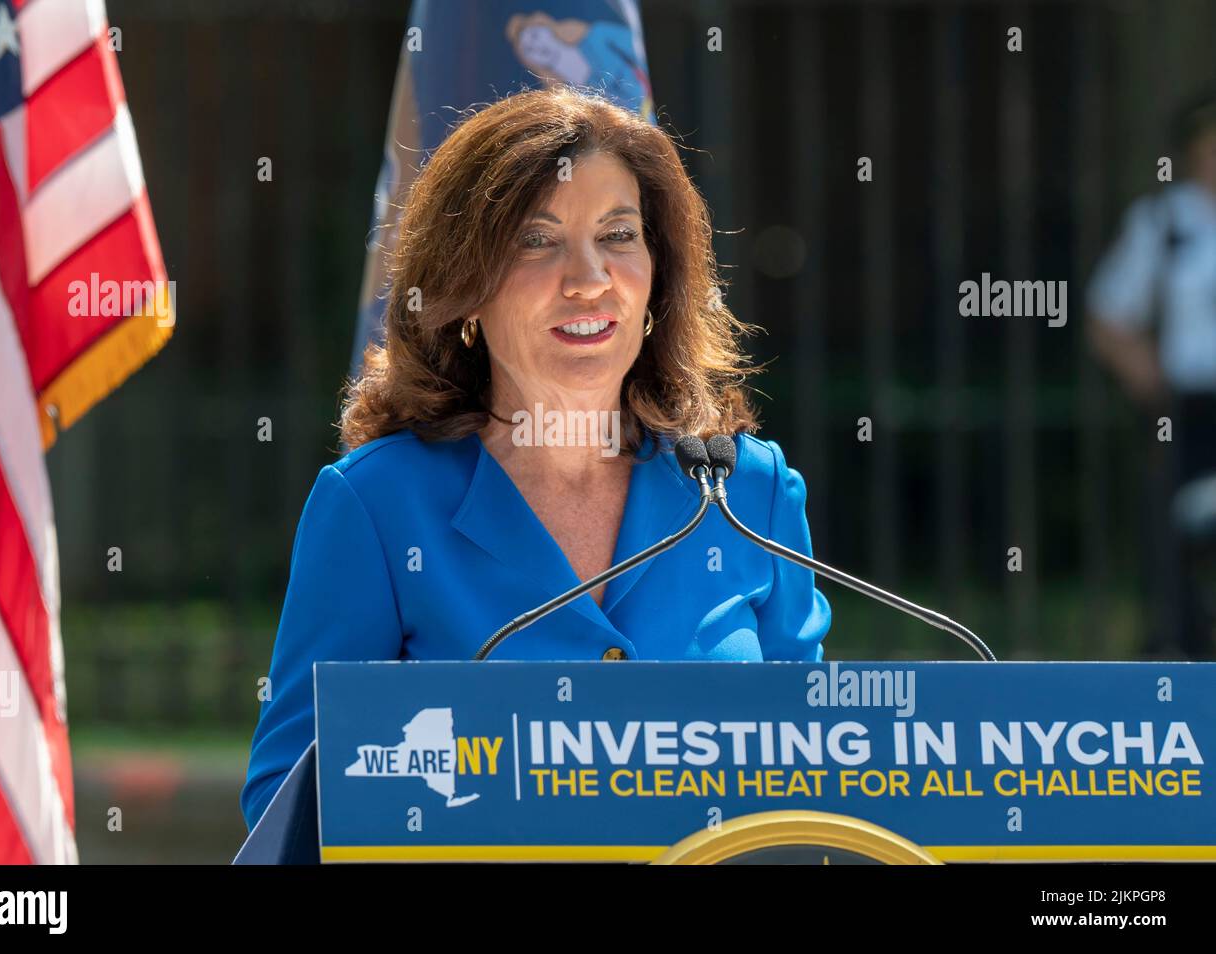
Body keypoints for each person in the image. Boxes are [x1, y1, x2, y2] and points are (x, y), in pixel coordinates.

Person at [240, 85, 831, 830]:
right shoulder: (378, 507)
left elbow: (814, 788)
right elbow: (286, 813)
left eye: (619, 235)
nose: (587, 279)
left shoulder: (749, 493)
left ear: (658, 275)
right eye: (536, 240)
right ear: (466, 289)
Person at [1087, 88, 1216, 659]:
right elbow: (1110, 314)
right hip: (1190, 403)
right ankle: (1177, 647)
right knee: (1176, 531)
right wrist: (1148, 378)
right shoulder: (1163, 220)